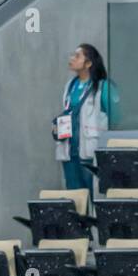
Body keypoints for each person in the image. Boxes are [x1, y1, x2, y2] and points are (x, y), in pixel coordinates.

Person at [54, 43, 113, 196]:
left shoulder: (102, 86)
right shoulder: (70, 85)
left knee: (95, 195)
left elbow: (114, 120)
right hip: (69, 149)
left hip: (89, 150)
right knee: (75, 198)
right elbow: (69, 111)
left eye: (77, 56)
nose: (71, 58)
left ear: (88, 63)